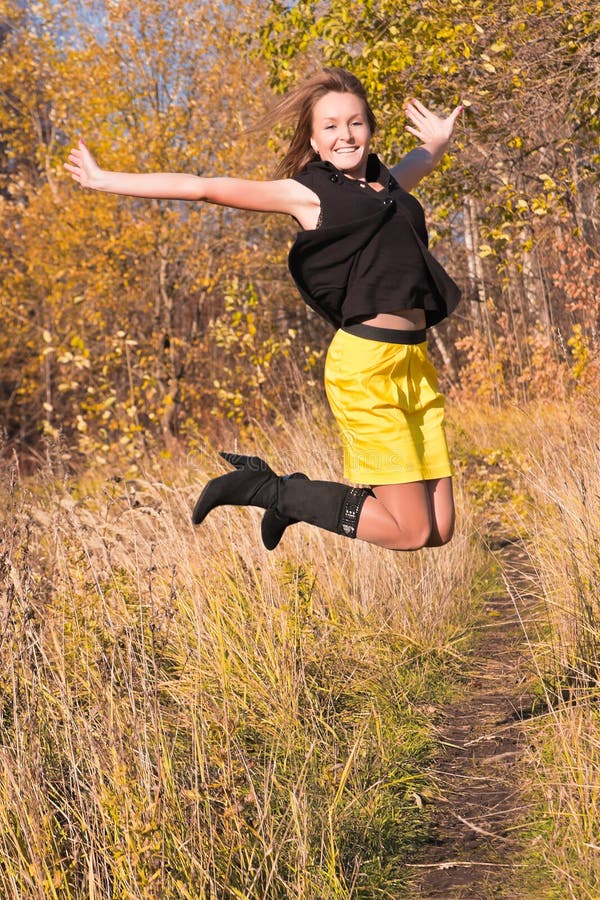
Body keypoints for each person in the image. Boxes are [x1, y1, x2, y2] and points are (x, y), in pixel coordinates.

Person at [65, 67, 463, 552]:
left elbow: (422, 159)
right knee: (410, 532)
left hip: (414, 364)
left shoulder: (391, 185)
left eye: (355, 123)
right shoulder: (307, 194)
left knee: (440, 530)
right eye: (331, 126)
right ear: (315, 141)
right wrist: (105, 180)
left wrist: (438, 143)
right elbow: (203, 187)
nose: (345, 135)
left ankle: (291, 496)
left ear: (370, 130)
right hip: (366, 368)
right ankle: (277, 492)